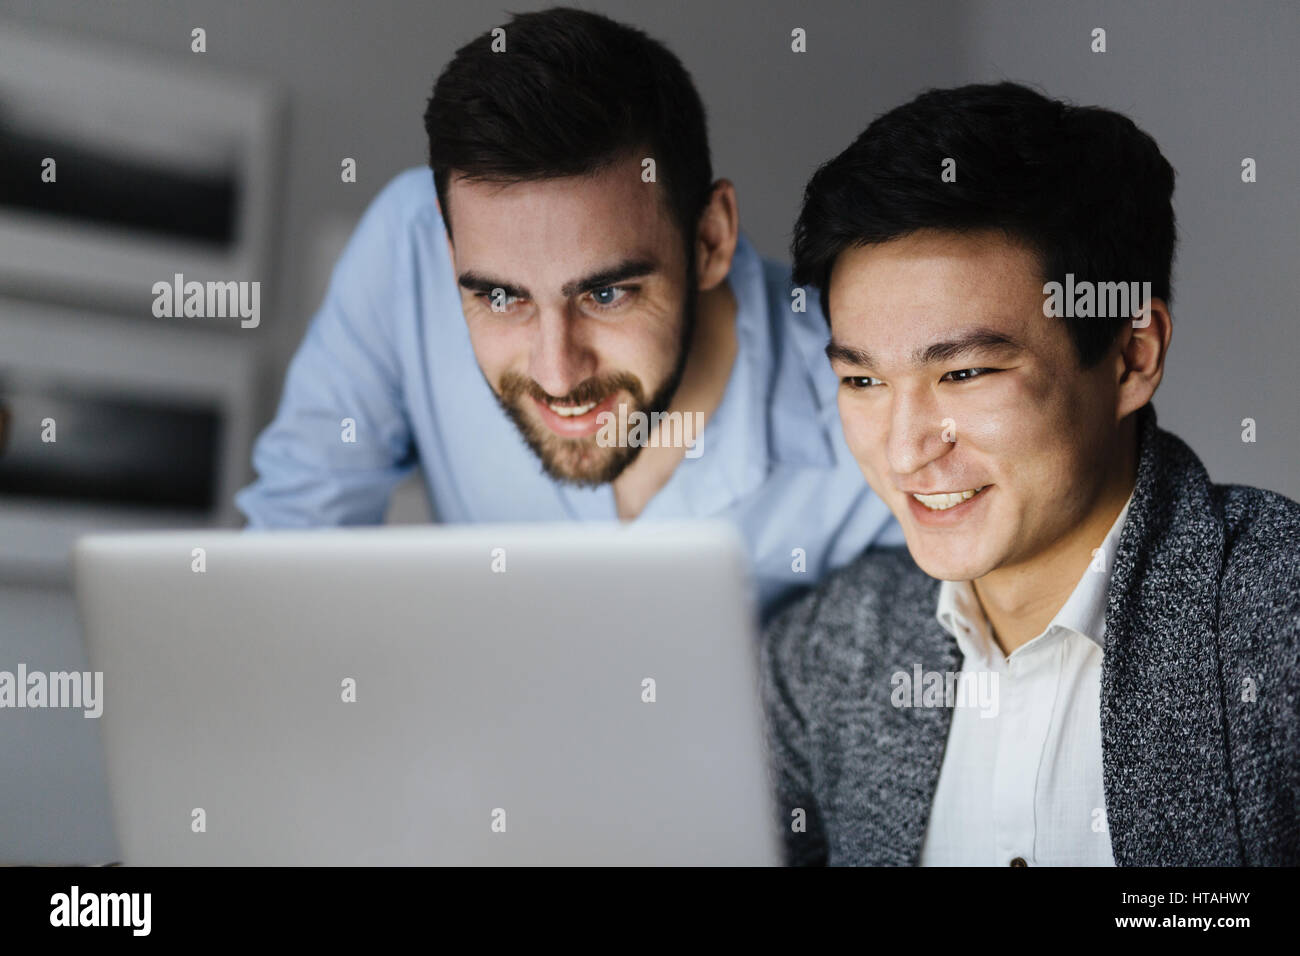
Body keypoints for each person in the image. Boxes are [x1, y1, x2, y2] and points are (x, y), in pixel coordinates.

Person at [761, 82, 1300, 865]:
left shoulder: (1278, 619)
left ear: (1130, 358)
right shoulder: (824, 654)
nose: (906, 449)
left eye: (967, 374)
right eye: (863, 381)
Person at [235, 7, 900, 618]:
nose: (557, 375)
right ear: (449, 246)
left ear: (710, 240)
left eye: (606, 295)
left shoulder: (882, 396)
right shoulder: (405, 249)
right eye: (501, 297)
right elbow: (290, 556)